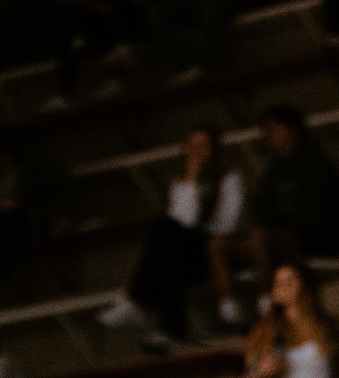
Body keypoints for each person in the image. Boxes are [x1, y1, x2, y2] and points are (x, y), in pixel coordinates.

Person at [96, 125, 245, 348]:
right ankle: (168, 328)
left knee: (166, 235)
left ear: (214, 149)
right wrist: (192, 178)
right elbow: (184, 220)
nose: (198, 151)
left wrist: (194, 184)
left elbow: (227, 224)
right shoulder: (180, 182)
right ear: (183, 149)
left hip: (218, 252)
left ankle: (138, 300)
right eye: (192, 146)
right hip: (184, 254)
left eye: (204, 146)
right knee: (168, 245)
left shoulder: (230, 178)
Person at [245, 106, 339, 279]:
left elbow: (316, 209)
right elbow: (264, 206)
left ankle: (269, 298)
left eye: (274, 127)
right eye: (265, 129)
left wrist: (283, 225)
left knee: (260, 238)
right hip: (282, 232)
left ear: (293, 129)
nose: (269, 133)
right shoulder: (273, 169)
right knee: (222, 244)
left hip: (312, 236)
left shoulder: (315, 163)